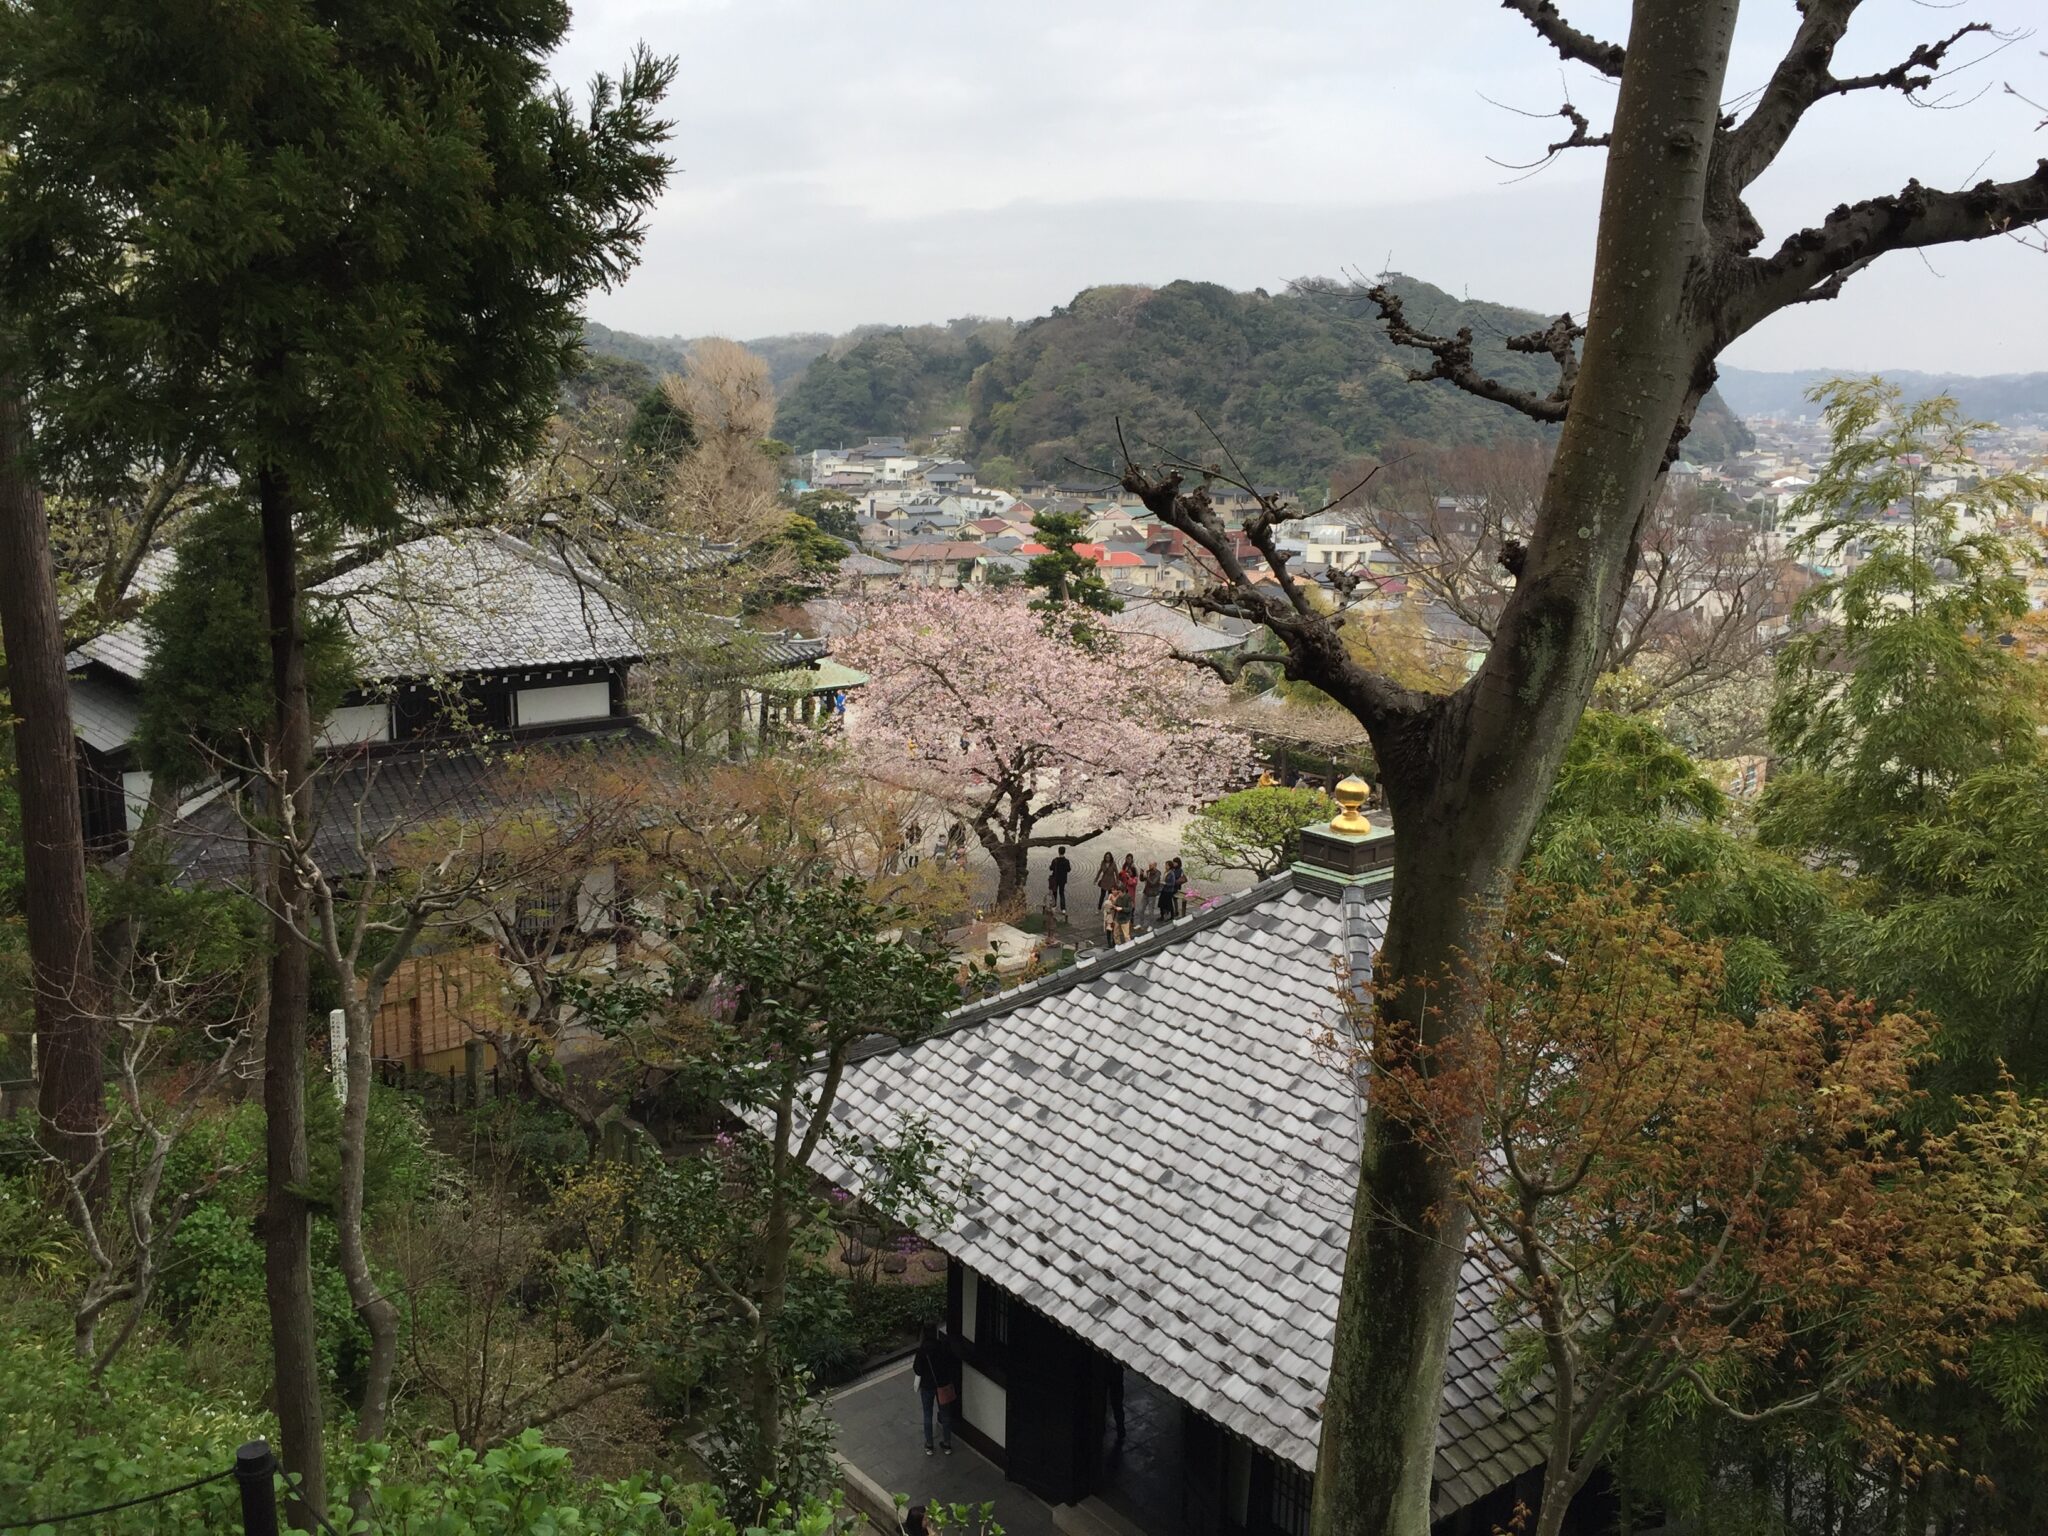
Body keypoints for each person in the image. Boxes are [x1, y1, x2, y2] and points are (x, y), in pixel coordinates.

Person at [912, 1323, 955, 1455]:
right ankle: (947, 1444)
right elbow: (949, 1363)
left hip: (927, 1386)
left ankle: (929, 1445)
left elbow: (917, 1369)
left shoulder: (922, 1350)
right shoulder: (943, 1346)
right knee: (946, 1414)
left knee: (927, 1414)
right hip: (942, 1385)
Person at [1048, 846, 1072, 915]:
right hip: (1063, 880)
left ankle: (1053, 907)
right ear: (1064, 852)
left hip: (1055, 879)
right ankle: (1063, 909)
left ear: (1058, 852)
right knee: (1061, 893)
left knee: (1054, 893)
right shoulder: (1066, 861)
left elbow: (1051, 868)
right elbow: (1069, 869)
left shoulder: (1055, 860)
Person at [1140, 863, 1162, 929]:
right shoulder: (1148, 872)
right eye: (1149, 865)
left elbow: (1153, 883)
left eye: (1151, 865)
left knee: (1150, 911)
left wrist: (1147, 877)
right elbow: (1142, 880)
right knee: (1141, 909)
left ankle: (1151, 925)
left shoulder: (1158, 873)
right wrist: (1141, 874)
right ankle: (1141, 923)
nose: (1149, 866)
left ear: (1155, 865)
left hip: (1152, 894)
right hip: (1146, 892)